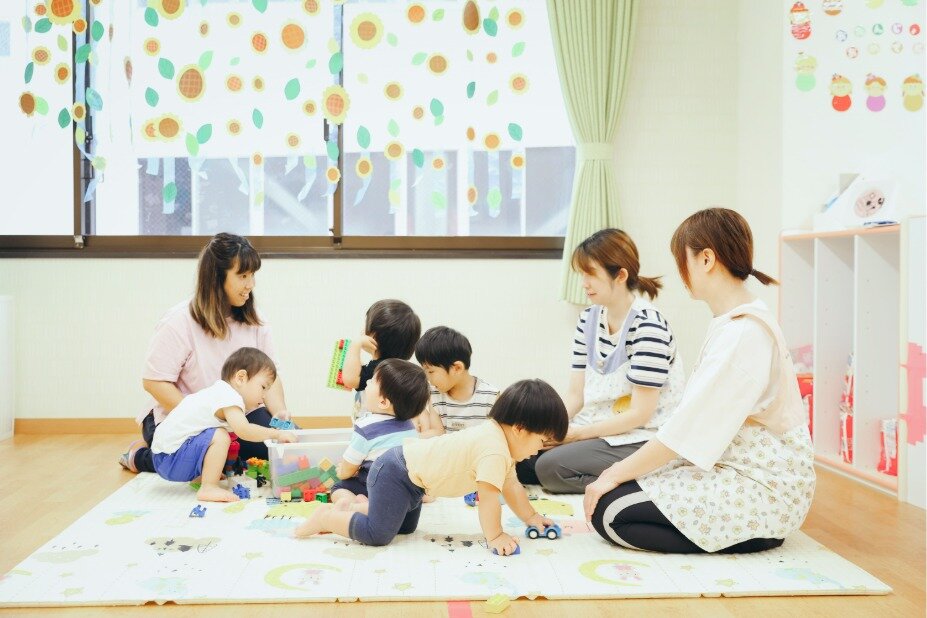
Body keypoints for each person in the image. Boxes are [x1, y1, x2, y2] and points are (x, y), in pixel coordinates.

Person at [584, 208, 815, 554]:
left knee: (611, 510)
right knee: (620, 492)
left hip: (761, 486)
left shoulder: (743, 333)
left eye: (683, 260)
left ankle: (754, 532)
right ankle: (745, 530)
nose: (682, 272)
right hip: (736, 466)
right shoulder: (734, 322)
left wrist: (613, 473)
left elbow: (686, 433)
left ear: (706, 259)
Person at [294, 379, 569, 556]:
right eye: (541, 441)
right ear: (520, 429)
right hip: (395, 472)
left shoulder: (500, 444)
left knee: (405, 527)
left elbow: (512, 487)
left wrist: (532, 517)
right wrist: (495, 535)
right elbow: (488, 498)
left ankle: (356, 509)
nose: (538, 450)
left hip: (411, 481)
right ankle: (326, 518)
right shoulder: (494, 448)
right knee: (379, 534)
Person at [516, 229, 684, 493]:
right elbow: (576, 395)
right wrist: (551, 430)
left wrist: (576, 435)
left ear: (621, 275)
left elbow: (640, 414)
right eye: (582, 274)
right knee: (522, 458)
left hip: (641, 436)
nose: (584, 283)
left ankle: (641, 480)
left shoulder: (647, 326)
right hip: (595, 426)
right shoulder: (588, 320)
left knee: (549, 468)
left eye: (591, 274)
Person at [119, 233, 290, 473]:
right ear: (217, 277)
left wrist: (278, 413)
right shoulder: (179, 321)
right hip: (181, 416)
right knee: (213, 457)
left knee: (285, 449)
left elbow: (270, 378)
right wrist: (202, 416)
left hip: (236, 416)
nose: (250, 285)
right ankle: (140, 457)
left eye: (252, 275)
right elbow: (154, 382)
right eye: (243, 276)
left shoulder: (255, 321)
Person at [151, 347, 295, 502]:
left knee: (221, 434)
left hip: (164, 456)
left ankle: (206, 476)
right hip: (169, 458)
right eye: (263, 387)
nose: (265, 395)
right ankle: (208, 487)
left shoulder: (220, 392)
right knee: (220, 436)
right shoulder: (229, 397)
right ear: (241, 378)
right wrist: (276, 434)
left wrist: (278, 420)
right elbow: (245, 430)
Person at [330, 360, 429, 509]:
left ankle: (360, 505)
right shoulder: (410, 427)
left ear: (383, 402)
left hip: (375, 486)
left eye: (373, 380)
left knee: (338, 488)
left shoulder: (365, 427)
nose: (367, 381)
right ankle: (417, 497)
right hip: (403, 488)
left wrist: (342, 472)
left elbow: (348, 468)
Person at [340, 299, 421, 420]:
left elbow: (350, 380)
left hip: (371, 427)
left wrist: (355, 345)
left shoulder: (379, 370)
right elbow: (360, 373)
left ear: (374, 336)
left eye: (366, 326)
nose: (362, 332)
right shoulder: (393, 369)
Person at [413, 326, 500, 437]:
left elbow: (496, 438)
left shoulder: (490, 397)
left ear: (457, 368)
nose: (428, 379)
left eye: (430, 372)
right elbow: (437, 432)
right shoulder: (435, 394)